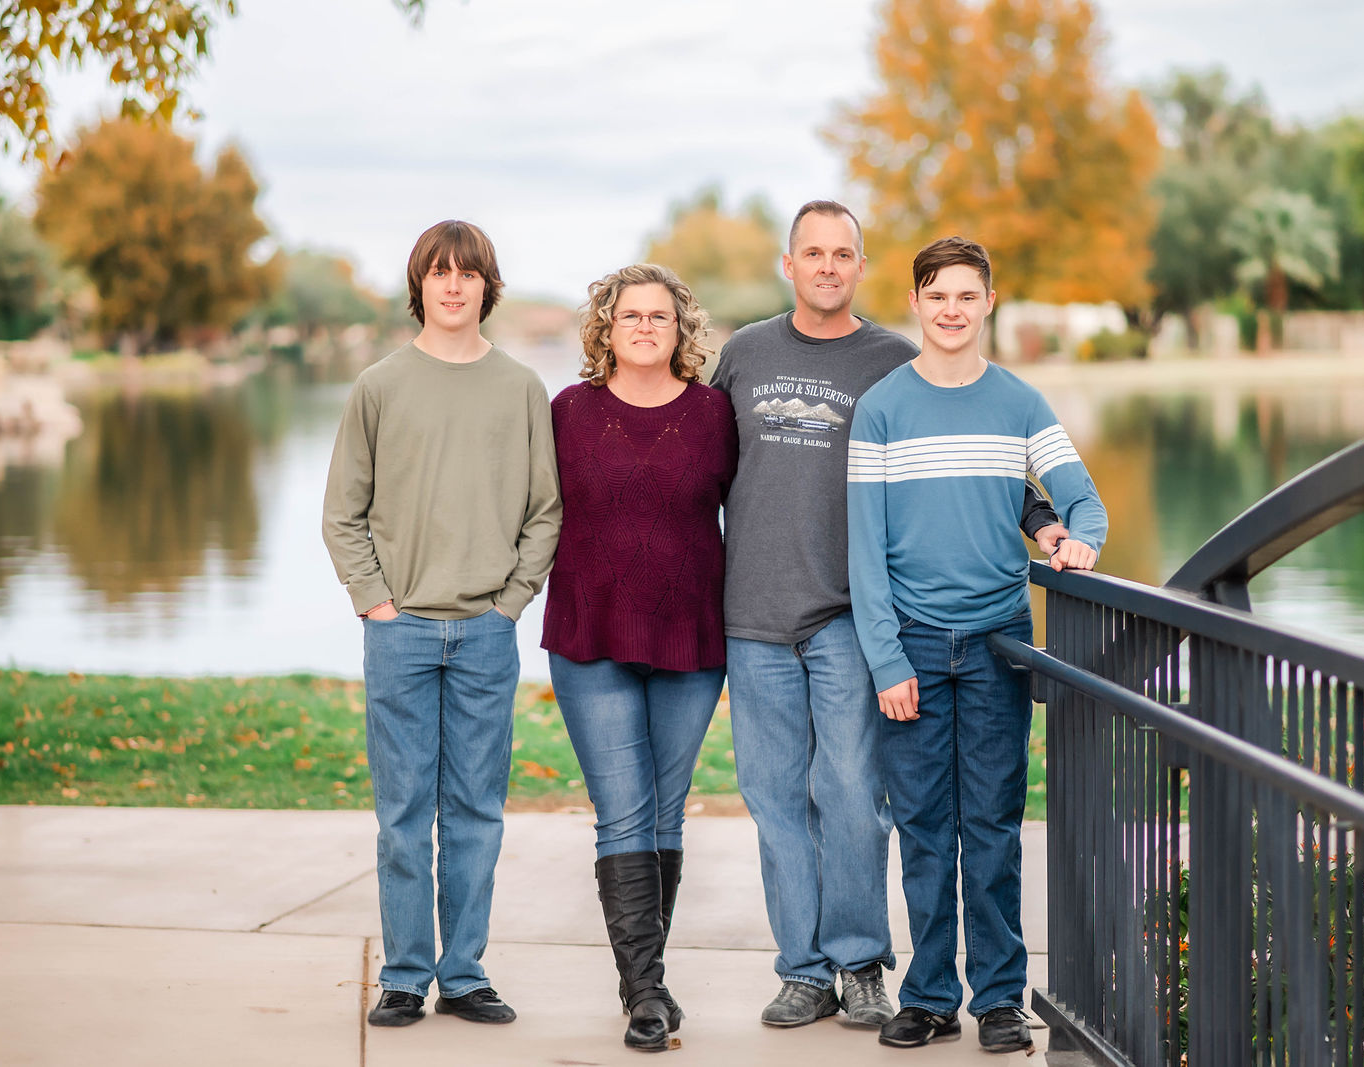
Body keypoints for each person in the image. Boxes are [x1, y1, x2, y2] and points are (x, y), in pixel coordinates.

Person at [709, 201, 1067, 1029]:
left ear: (863, 268)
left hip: (855, 617)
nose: (828, 265)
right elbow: (699, 463)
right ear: (788, 263)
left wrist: (1045, 520)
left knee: (853, 795)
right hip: (756, 611)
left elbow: (979, 460)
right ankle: (804, 970)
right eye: (813, 253)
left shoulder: (898, 360)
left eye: (844, 253)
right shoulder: (744, 354)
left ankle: (864, 963)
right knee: (776, 803)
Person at [847, 236, 1107, 1054]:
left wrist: (1080, 541)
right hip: (915, 649)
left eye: (967, 295)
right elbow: (864, 549)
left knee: (992, 826)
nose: (951, 309)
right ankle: (928, 995)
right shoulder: (883, 406)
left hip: (999, 643)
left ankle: (998, 996)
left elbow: (1080, 499)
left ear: (988, 303)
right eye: (937, 295)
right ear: (916, 303)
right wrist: (886, 659)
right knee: (924, 828)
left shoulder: (1020, 404)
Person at [321, 219, 561, 1029]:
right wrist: (377, 603)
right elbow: (342, 514)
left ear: (486, 286)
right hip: (401, 632)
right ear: (419, 284)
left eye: (468, 273)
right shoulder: (379, 386)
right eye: (438, 272)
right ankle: (403, 973)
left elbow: (545, 511)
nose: (453, 285)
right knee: (401, 814)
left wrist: (510, 603)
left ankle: (463, 973)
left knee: (475, 811)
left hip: (487, 633)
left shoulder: (521, 387)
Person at [540, 263, 737, 1052]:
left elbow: (756, 511)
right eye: (631, 315)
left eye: (660, 315)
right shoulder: (568, 412)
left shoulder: (717, 414)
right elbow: (529, 508)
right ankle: (648, 993)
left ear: (680, 328)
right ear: (606, 327)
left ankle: (642, 981)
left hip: (692, 635)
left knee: (663, 807)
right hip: (590, 631)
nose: (646, 327)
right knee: (622, 808)